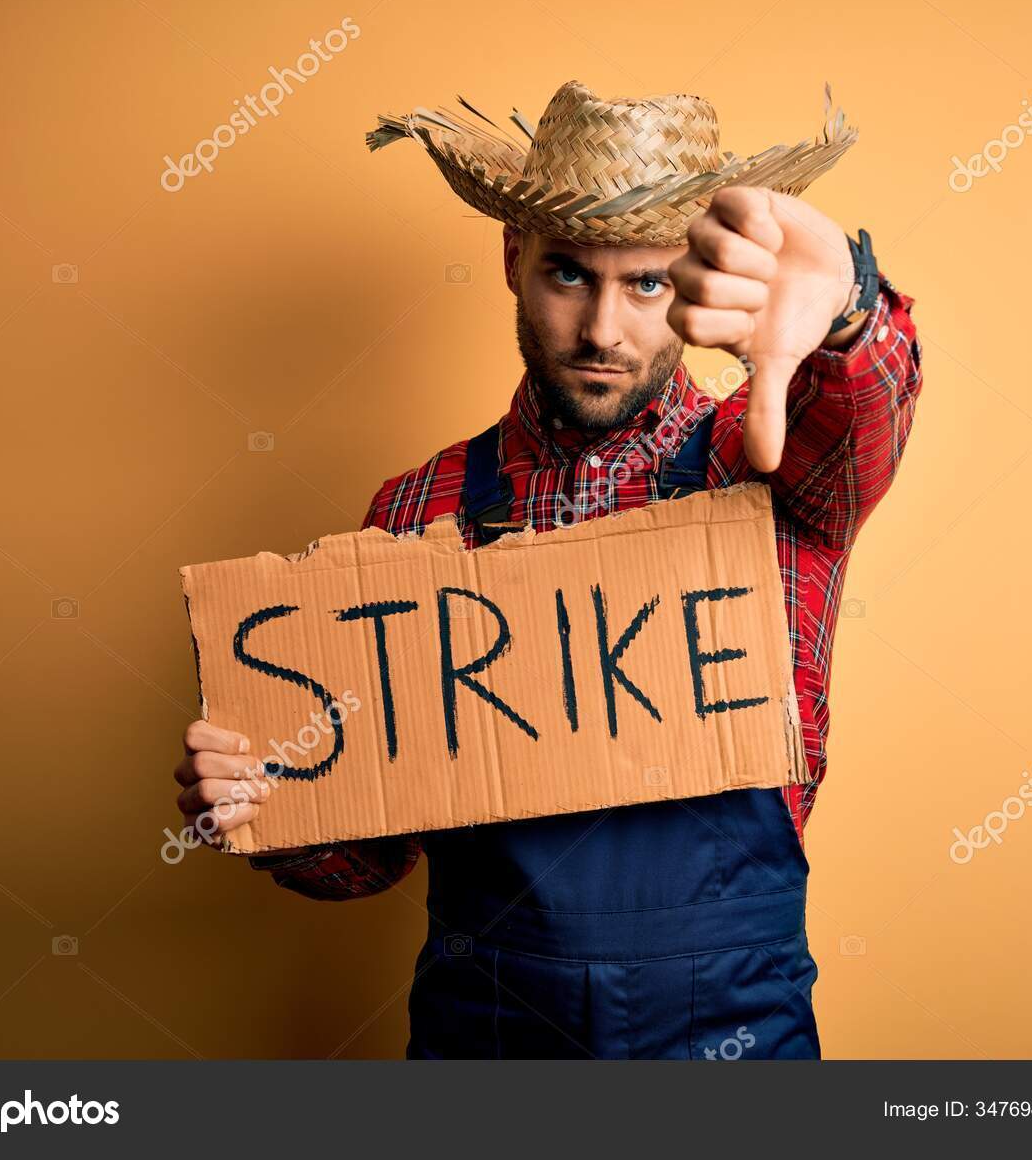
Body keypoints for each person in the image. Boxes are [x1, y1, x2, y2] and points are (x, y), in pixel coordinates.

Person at [173, 79, 924, 1058]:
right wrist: (270, 803)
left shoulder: (774, 473)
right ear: (511, 259)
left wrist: (847, 311)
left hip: (731, 1027)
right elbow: (368, 857)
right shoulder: (417, 512)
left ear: (700, 279)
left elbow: (862, 414)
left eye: (647, 283)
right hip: (489, 1028)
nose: (603, 329)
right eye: (569, 274)